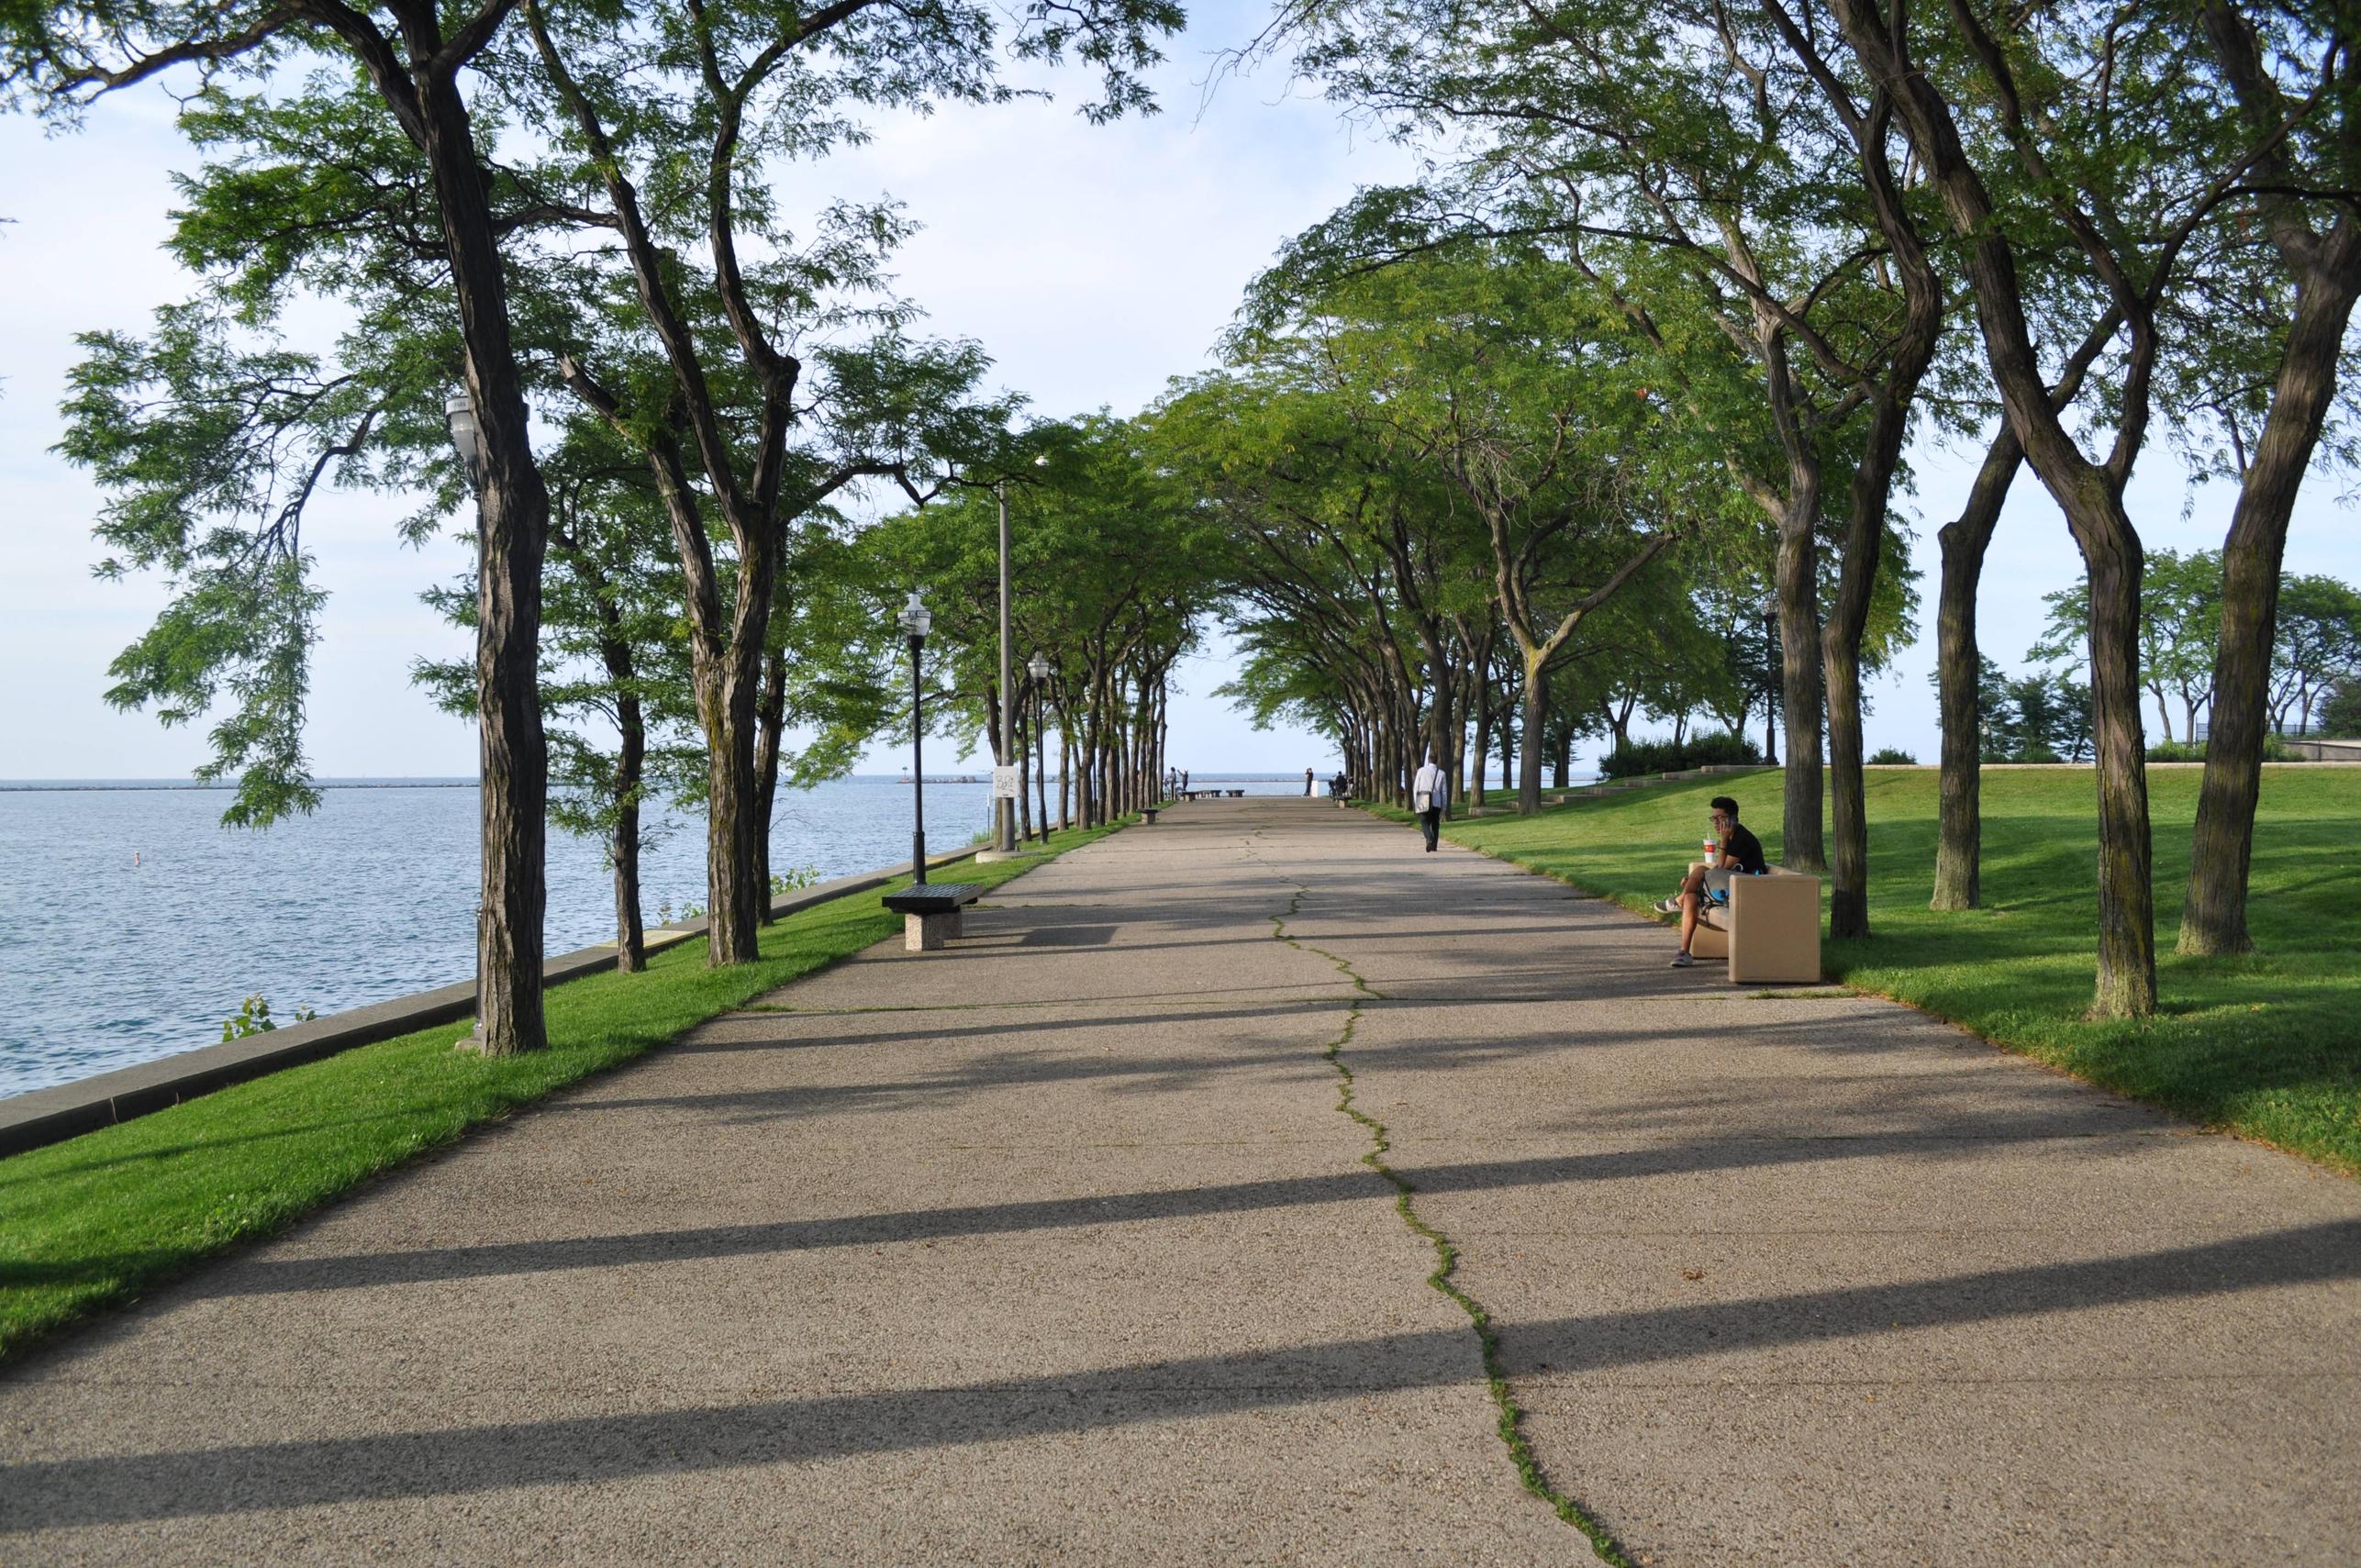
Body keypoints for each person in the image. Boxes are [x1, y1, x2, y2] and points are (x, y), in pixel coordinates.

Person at [1656, 795, 1767, 967]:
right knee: (1691, 897)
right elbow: (1719, 872)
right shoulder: (1732, 836)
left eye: (1720, 818)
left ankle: (1677, 901)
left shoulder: (1741, 838)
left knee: (1700, 872)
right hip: (1730, 889)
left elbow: (1721, 869)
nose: (1716, 823)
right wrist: (1695, 881)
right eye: (1713, 818)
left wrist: (1722, 842)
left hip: (1747, 893)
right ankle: (1684, 952)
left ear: (1732, 819)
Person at [1412, 753, 1450, 851]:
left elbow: (1416, 787)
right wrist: (1444, 806)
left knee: (1424, 821)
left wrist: (1416, 801)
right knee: (1435, 825)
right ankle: (1434, 846)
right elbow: (1444, 791)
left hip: (1423, 799)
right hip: (1436, 802)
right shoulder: (1441, 773)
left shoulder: (1421, 771)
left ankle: (1429, 839)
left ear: (1428, 761)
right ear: (1437, 761)